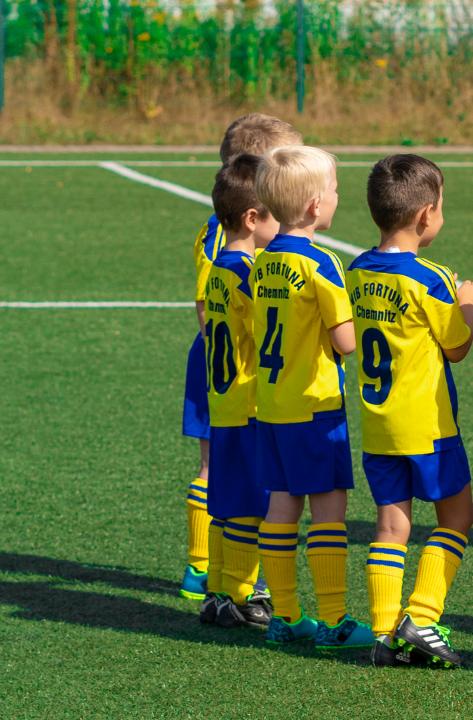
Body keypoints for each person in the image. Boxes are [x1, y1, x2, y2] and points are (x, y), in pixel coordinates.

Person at [347, 155, 473, 668]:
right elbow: (456, 347)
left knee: (390, 527)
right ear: (426, 215)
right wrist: (466, 300)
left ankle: (386, 635)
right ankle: (423, 617)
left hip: (378, 424)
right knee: (457, 516)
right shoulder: (430, 279)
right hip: (428, 426)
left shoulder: (357, 268)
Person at [250, 145, 373, 649]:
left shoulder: (261, 262)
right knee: (328, 509)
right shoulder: (322, 264)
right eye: (336, 190)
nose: (338, 196)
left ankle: (284, 616)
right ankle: (335, 621)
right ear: (316, 208)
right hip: (317, 409)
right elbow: (345, 342)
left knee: (281, 507)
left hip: (273, 406)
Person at [180, 114, 301, 599]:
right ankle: (205, 568)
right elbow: (209, 306)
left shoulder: (228, 232)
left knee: (228, 470)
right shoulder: (229, 245)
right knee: (226, 471)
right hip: (227, 368)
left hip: (223, 362)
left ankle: (219, 580)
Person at [197, 154, 278, 629]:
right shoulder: (250, 274)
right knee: (248, 504)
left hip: (222, 402)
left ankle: (218, 590)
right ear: (252, 218)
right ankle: (246, 597)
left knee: (226, 501)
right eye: (275, 214)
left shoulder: (218, 269)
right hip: (249, 404)